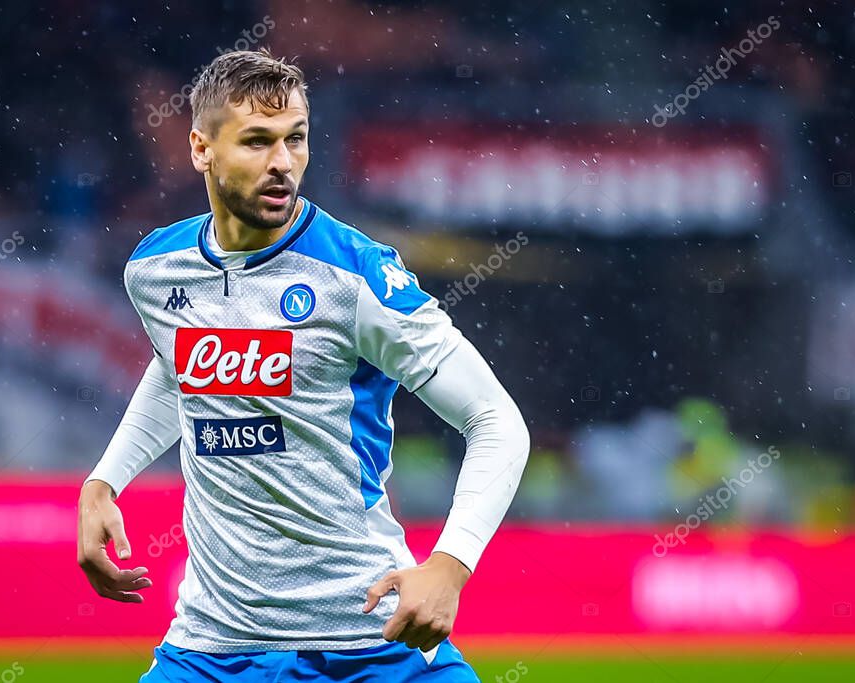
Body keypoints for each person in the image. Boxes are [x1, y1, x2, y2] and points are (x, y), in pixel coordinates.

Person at [76, 48, 529, 682]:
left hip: (370, 638)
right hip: (210, 646)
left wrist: (449, 566)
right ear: (201, 149)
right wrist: (104, 482)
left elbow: (497, 422)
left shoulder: (358, 276)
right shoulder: (154, 270)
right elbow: (179, 370)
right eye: (257, 141)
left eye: (296, 139)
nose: (282, 163)